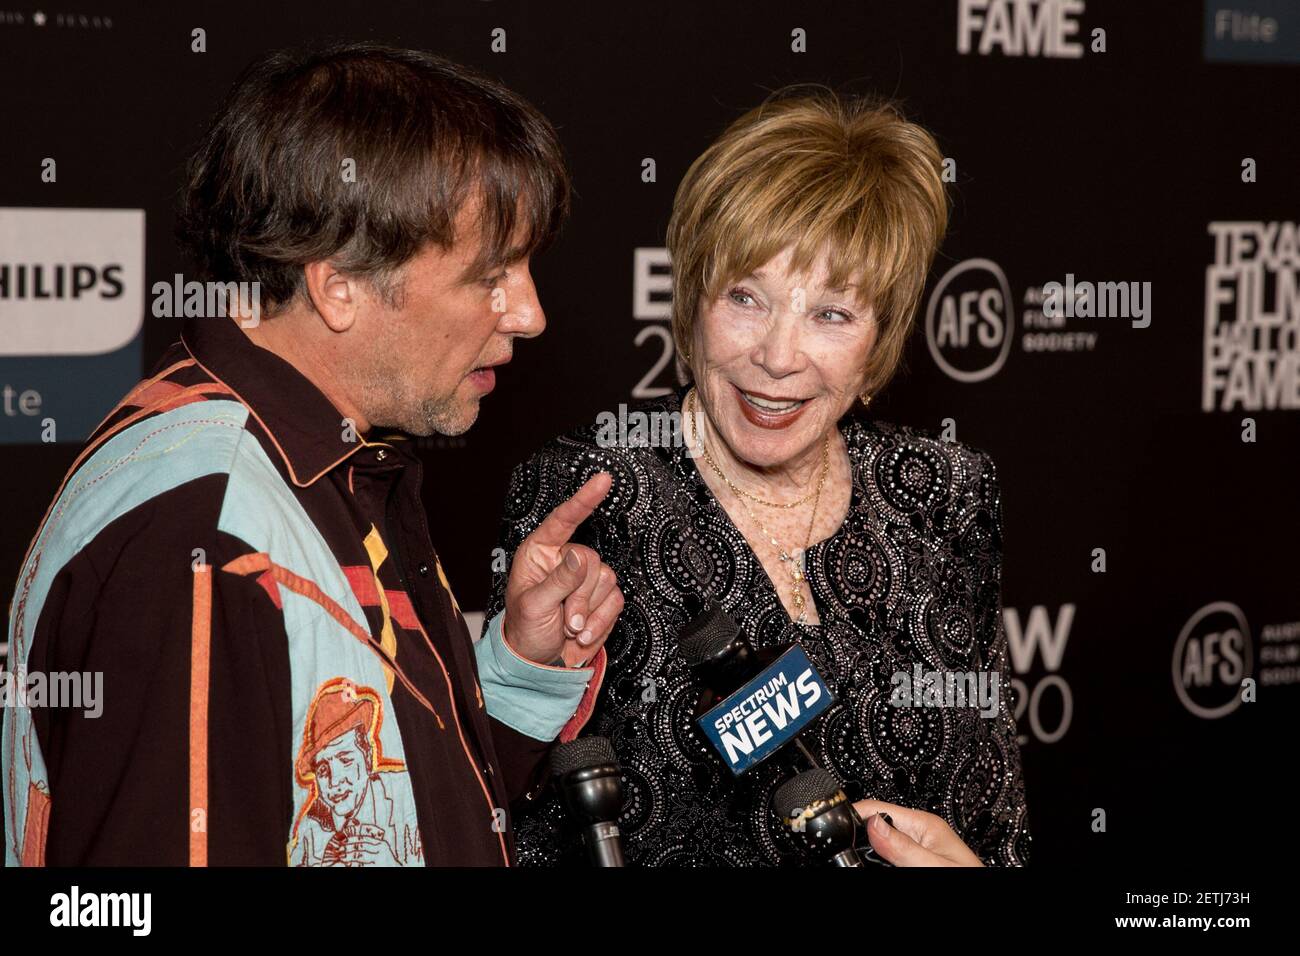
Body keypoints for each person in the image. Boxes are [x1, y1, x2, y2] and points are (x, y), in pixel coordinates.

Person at [1, 41, 624, 867]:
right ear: (338, 287)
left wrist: (511, 679)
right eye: (490, 275)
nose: (529, 314)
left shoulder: (329, 461)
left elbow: (388, 828)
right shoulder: (204, 537)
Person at [487, 87, 1032, 866]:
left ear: (882, 340)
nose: (777, 357)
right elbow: (509, 817)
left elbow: (992, 814)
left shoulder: (945, 491)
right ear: (691, 302)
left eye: (832, 315)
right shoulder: (588, 496)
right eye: (746, 297)